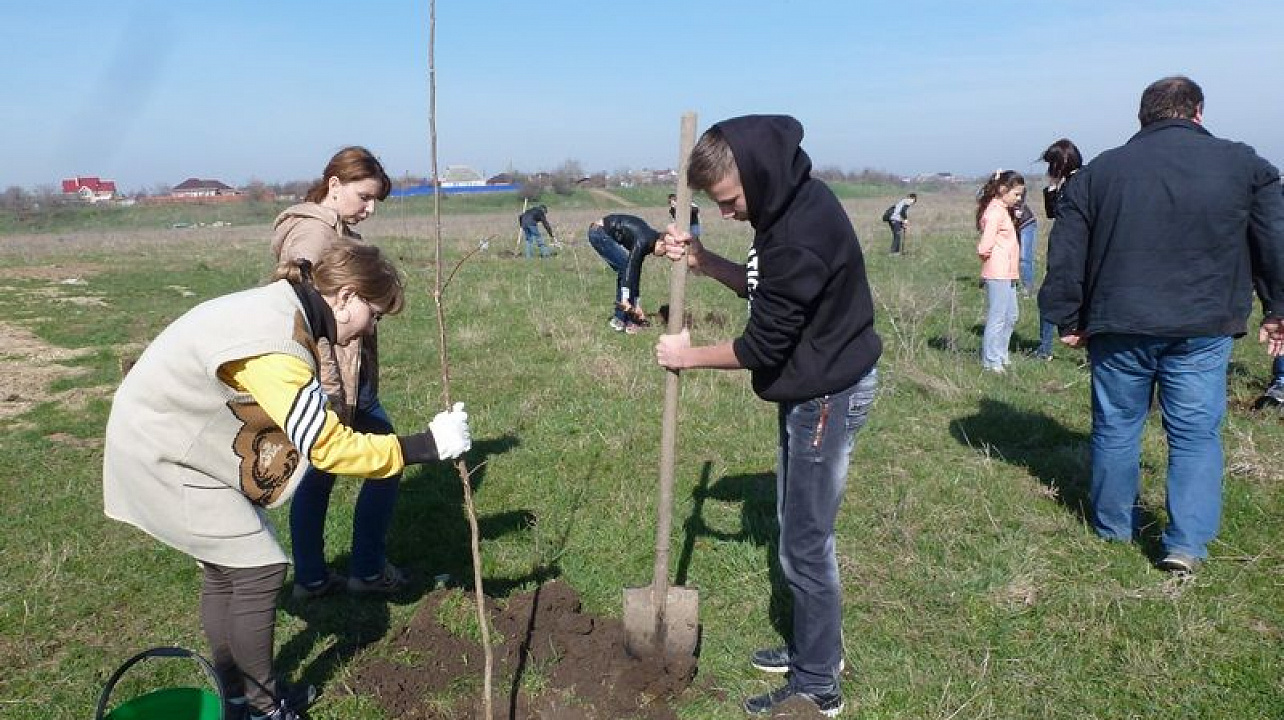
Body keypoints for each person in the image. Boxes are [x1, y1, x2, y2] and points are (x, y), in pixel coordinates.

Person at [103, 240, 472, 720]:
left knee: (227, 568)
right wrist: (425, 445)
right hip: (164, 455)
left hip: (163, 438)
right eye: (375, 315)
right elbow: (327, 446)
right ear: (346, 298)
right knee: (258, 569)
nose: (372, 328)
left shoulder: (283, 307)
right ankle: (262, 709)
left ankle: (239, 700)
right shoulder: (279, 342)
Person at [654, 115, 880, 717]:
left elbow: (761, 347)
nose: (726, 213)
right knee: (792, 528)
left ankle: (819, 687)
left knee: (805, 546)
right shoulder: (783, 206)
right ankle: (815, 648)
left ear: (756, 175)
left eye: (728, 201)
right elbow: (766, 287)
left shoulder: (800, 231)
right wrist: (704, 261)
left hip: (826, 396)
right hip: (810, 387)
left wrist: (687, 356)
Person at [1040, 76, 1284, 574]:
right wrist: (1278, 307)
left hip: (1119, 323)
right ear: (1197, 113)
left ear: (1143, 117)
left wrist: (1065, 314)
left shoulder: (1100, 172)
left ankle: (1112, 530)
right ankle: (1185, 546)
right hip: (1203, 324)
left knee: (1117, 427)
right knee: (1195, 434)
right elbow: (1273, 238)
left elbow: (1065, 250)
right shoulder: (1243, 165)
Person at [272, 147, 410, 600]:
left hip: (353, 379)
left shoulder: (335, 231)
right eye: (364, 197)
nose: (369, 209)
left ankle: (315, 578)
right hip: (333, 383)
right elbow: (301, 318)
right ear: (335, 185)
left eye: (375, 202)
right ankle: (361, 572)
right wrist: (327, 390)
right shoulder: (311, 239)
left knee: (322, 471)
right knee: (378, 459)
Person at [1032, 139, 1084, 360]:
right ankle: (1045, 348)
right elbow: (1052, 213)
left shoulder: (1080, 182)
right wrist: (1052, 187)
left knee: (1048, 297)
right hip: (1066, 250)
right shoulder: (1068, 182)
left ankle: (1046, 349)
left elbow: (1063, 215)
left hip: (1072, 251)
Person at [975, 170, 1025, 373]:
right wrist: (992, 259)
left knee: (1011, 315)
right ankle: (990, 361)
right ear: (1003, 190)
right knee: (997, 317)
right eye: (1016, 194)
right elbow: (984, 246)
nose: (1019, 198)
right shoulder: (994, 212)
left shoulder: (1003, 210)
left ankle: (1001, 354)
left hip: (1009, 272)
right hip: (998, 272)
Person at [586, 214, 664, 333]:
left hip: (599, 232)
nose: (665, 255)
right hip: (598, 232)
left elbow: (635, 272)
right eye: (666, 251)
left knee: (626, 269)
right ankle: (625, 320)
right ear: (662, 243)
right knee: (625, 267)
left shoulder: (648, 242)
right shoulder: (644, 240)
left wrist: (637, 303)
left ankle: (622, 318)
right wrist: (626, 299)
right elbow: (629, 270)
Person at [1014, 198, 1038, 297]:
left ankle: (1028, 288)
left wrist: (1017, 208)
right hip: (1016, 226)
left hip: (1026, 223)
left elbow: (1022, 190)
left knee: (1025, 258)